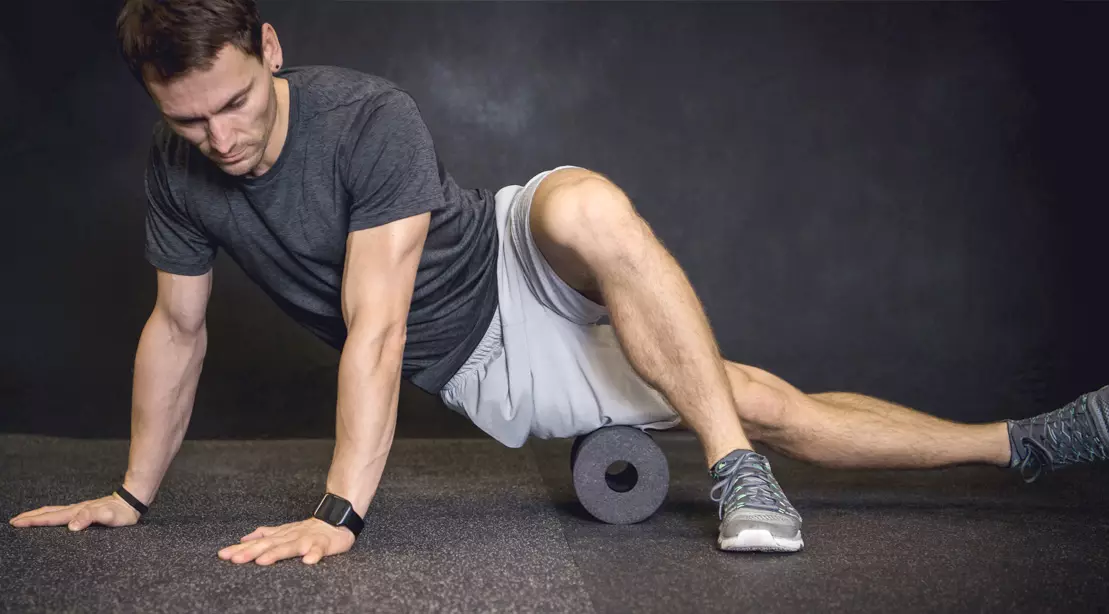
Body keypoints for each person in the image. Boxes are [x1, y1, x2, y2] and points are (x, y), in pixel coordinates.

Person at [9, 0, 1108, 565]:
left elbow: (375, 325)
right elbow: (177, 329)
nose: (220, 137)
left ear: (270, 48)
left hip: (498, 246)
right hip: (494, 355)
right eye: (187, 118)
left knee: (585, 202)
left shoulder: (363, 117)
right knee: (762, 399)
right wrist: (131, 491)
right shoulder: (179, 173)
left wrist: (338, 510)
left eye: (235, 102)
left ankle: (733, 475)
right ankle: (1022, 443)